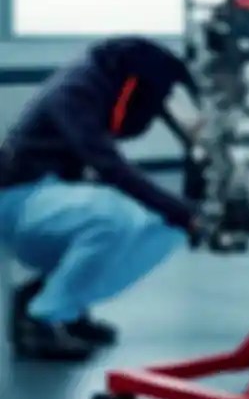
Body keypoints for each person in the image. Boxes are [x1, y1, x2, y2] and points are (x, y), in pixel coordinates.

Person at [0, 37, 202, 361]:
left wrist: (185, 213)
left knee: (168, 226)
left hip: (50, 198)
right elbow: (108, 166)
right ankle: (41, 320)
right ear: (138, 84)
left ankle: (64, 305)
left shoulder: (110, 80)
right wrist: (183, 209)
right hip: (16, 200)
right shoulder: (76, 91)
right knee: (113, 215)